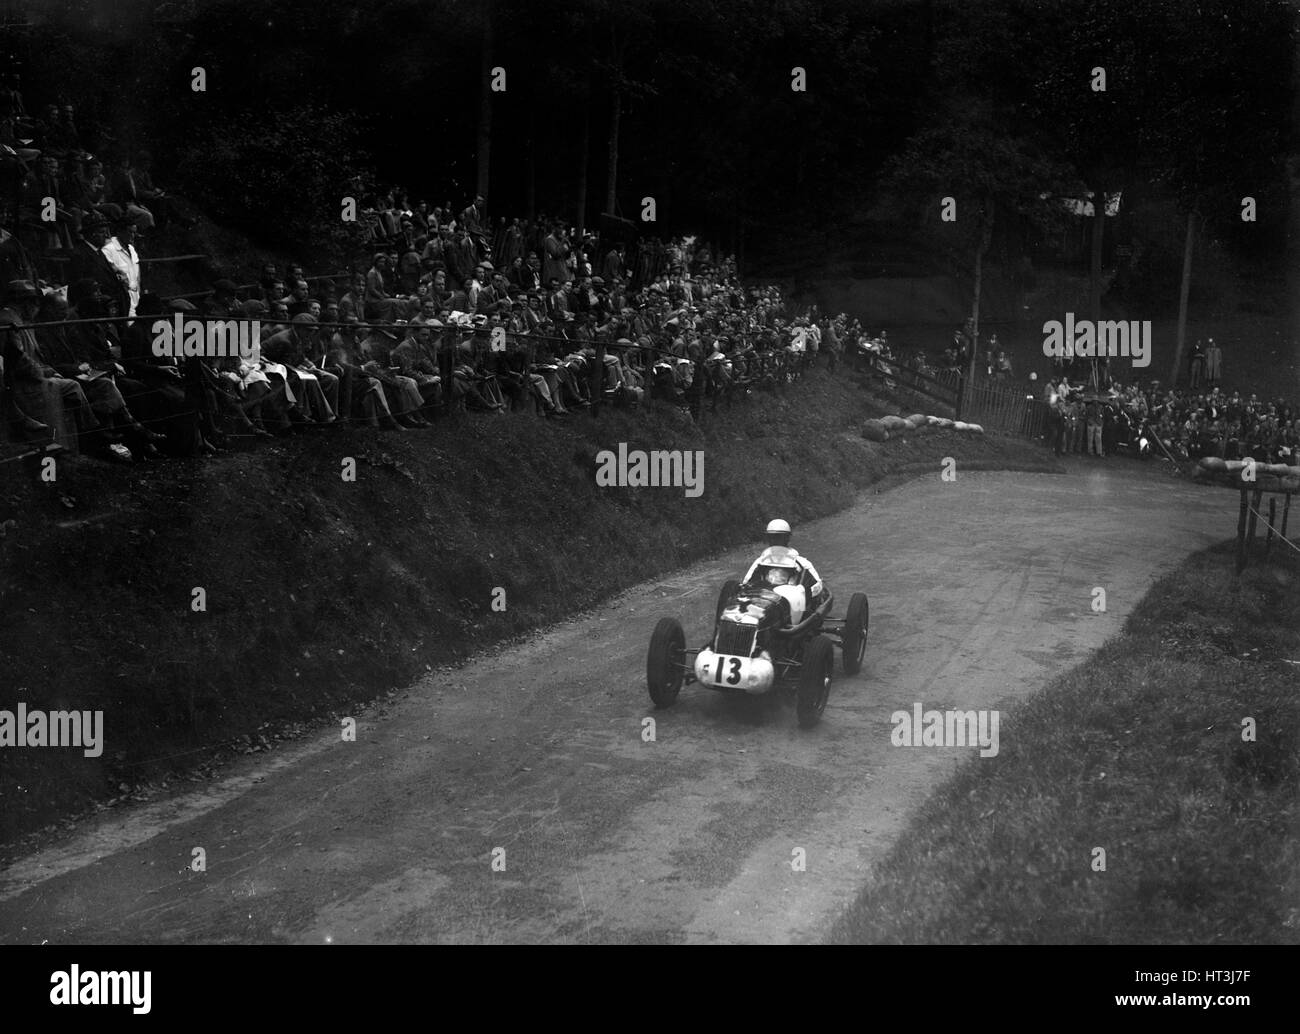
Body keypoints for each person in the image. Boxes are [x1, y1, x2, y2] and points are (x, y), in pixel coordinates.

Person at [740, 519, 826, 624]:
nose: (775, 540)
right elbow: (746, 585)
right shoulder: (759, 562)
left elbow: (817, 588)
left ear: (787, 538)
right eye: (772, 537)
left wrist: (805, 595)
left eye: (779, 537)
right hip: (766, 604)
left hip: (790, 608)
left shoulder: (801, 563)